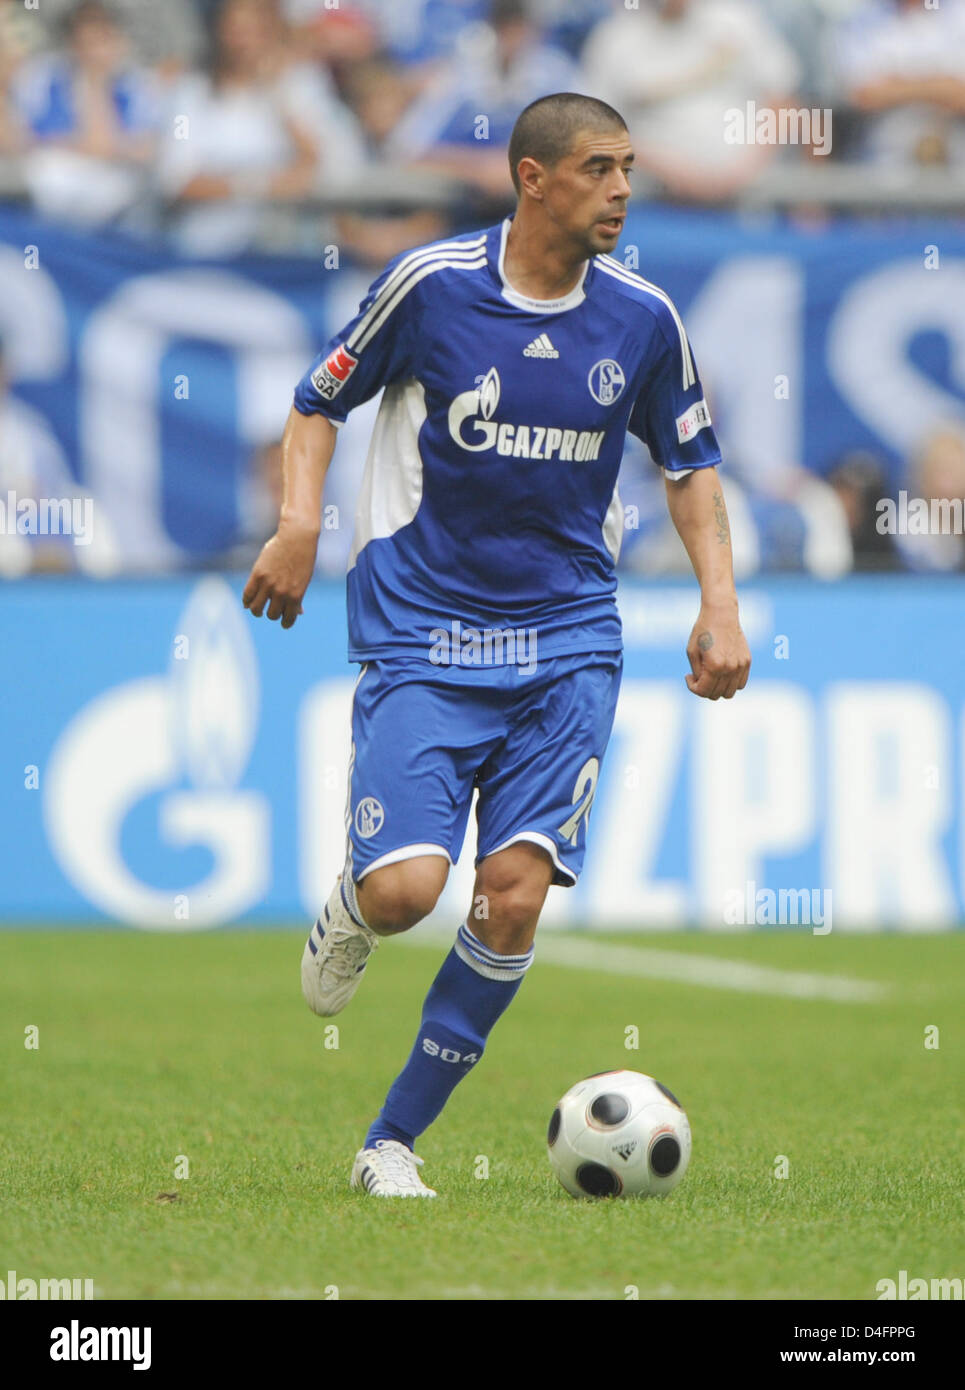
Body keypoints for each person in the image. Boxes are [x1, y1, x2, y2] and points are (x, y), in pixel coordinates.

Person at [242, 92, 750, 1197]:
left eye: (628, 168)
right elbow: (316, 401)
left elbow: (689, 466)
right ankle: (352, 902)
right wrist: (295, 523)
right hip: (424, 631)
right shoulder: (430, 289)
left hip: (568, 638)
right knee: (404, 893)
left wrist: (719, 602)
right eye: (599, 168)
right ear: (533, 179)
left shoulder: (643, 318)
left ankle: (389, 1143)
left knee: (511, 895)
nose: (622, 188)